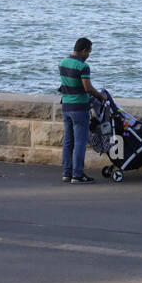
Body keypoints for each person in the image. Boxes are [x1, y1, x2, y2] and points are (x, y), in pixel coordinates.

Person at [58, 36, 101, 184]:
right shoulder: (83, 67)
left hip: (66, 107)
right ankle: (77, 175)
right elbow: (87, 88)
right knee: (80, 142)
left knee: (68, 141)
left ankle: (66, 173)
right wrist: (101, 96)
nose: (88, 55)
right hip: (79, 109)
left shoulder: (62, 62)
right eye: (88, 52)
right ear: (83, 51)